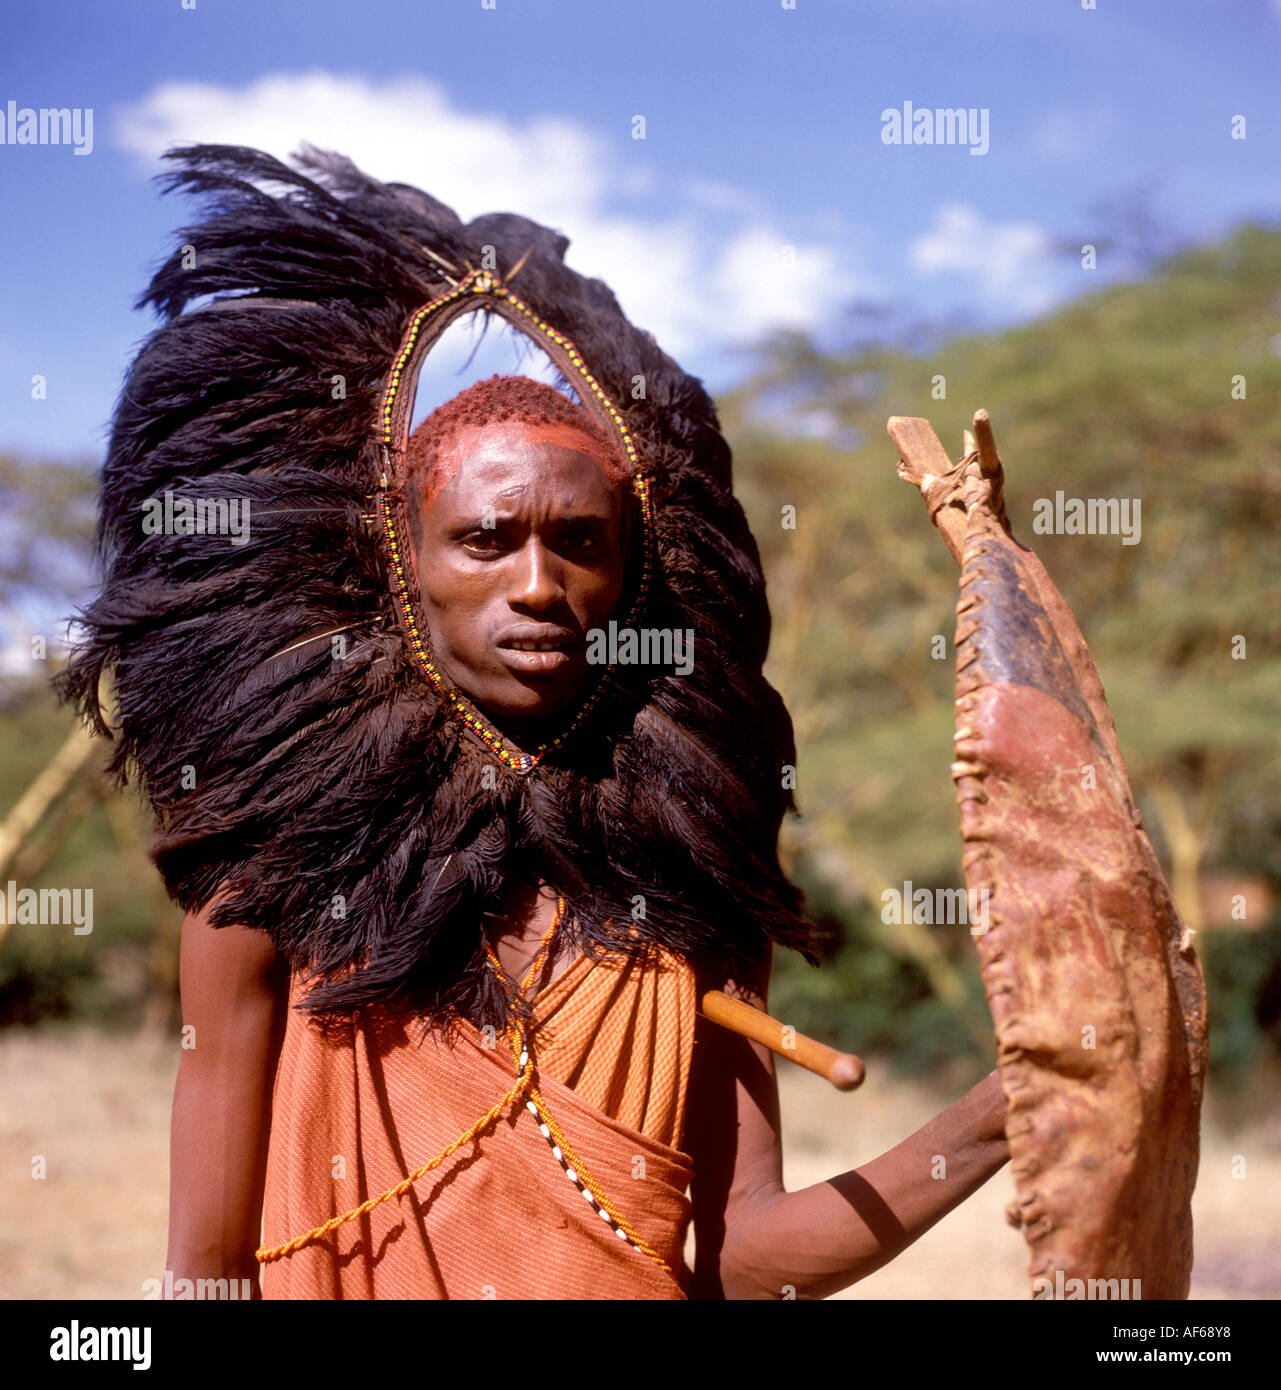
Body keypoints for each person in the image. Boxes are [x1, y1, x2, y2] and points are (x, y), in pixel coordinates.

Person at [58, 144, 1009, 1300]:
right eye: (486, 539)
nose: (540, 586)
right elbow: (202, 1277)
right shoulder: (272, 876)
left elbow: (751, 1260)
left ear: (635, 573)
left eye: (582, 542)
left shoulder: (692, 885)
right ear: (397, 564)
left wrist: (1002, 1116)